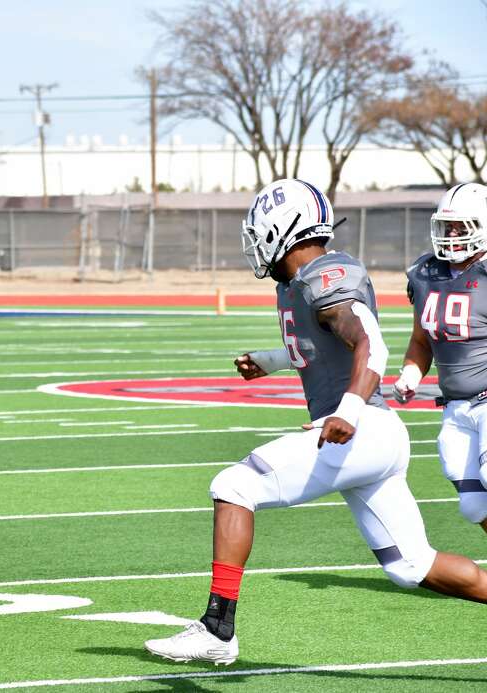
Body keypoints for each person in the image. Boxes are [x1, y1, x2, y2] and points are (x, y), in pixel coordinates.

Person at [144, 179, 487, 666]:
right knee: (413, 567)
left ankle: (217, 628)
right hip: (372, 434)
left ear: (284, 229)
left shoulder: (327, 275)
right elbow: (318, 347)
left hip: (359, 429)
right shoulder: (297, 284)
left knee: (234, 486)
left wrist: (347, 412)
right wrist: (270, 360)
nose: (255, 239)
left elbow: (372, 343)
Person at [394, 182, 487, 533]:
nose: (451, 235)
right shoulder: (425, 275)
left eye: (461, 227)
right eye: (447, 226)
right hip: (455, 406)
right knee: (474, 504)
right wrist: (411, 375)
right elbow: (421, 340)